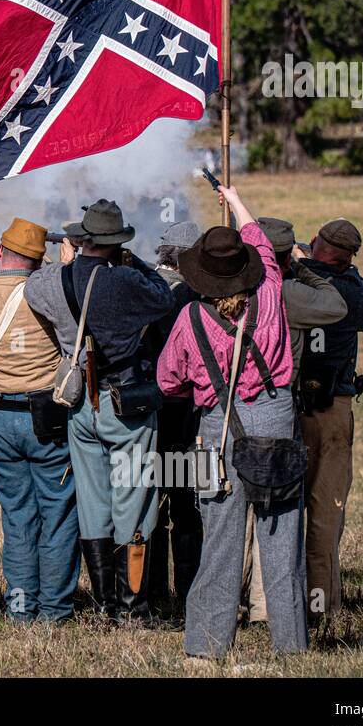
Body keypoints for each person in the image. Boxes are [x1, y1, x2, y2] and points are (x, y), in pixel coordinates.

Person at [157, 186, 307, 659]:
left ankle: (206, 648)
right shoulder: (271, 292)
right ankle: (291, 647)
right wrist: (236, 199)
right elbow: (261, 243)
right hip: (275, 422)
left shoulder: (189, 318)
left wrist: (204, 390)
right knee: (281, 545)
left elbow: (167, 381)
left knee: (218, 546)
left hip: (213, 435)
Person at [25, 199, 173, 622]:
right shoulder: (127, 280)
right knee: (135, 501)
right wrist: (137, 262)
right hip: (124, 403)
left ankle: (106, 603)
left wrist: (65, 261)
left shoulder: (55, 280)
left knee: (92, 503)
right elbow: (162, 297)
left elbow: (33, 289)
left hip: (79, 406)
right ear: (116, 242)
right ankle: (133, 607)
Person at [0, 218, 78, 623]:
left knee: (17, 516)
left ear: (0, 251)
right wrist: (64, 267)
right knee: (58, 515)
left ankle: (21, 603)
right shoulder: (48, 289)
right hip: (44, 417)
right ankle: (55, 608)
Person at [239, 217, 349, 625]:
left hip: (230, 410)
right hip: (279, 406)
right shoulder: (287, 293)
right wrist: (303, 268)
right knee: (279, 509)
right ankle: (274, 609)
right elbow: (337, 306)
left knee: (240, 513)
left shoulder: (227, 289)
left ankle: (240, 603)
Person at [298, 217, 363, 616]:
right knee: (326, 510)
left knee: (278, 509)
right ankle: (321, 604)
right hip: (333, 411)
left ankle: (269, 604)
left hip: (288, 406)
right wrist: (349, 274)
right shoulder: (351, 291)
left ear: (316, 241)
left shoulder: (293, 281)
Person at [147, 220, 203, 618]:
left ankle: (149, 593)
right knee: (186, 511)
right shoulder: (196, 297)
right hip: (186, 414)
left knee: (151, 510)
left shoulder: (141, 288)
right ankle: (188, 595)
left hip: (147, 414)